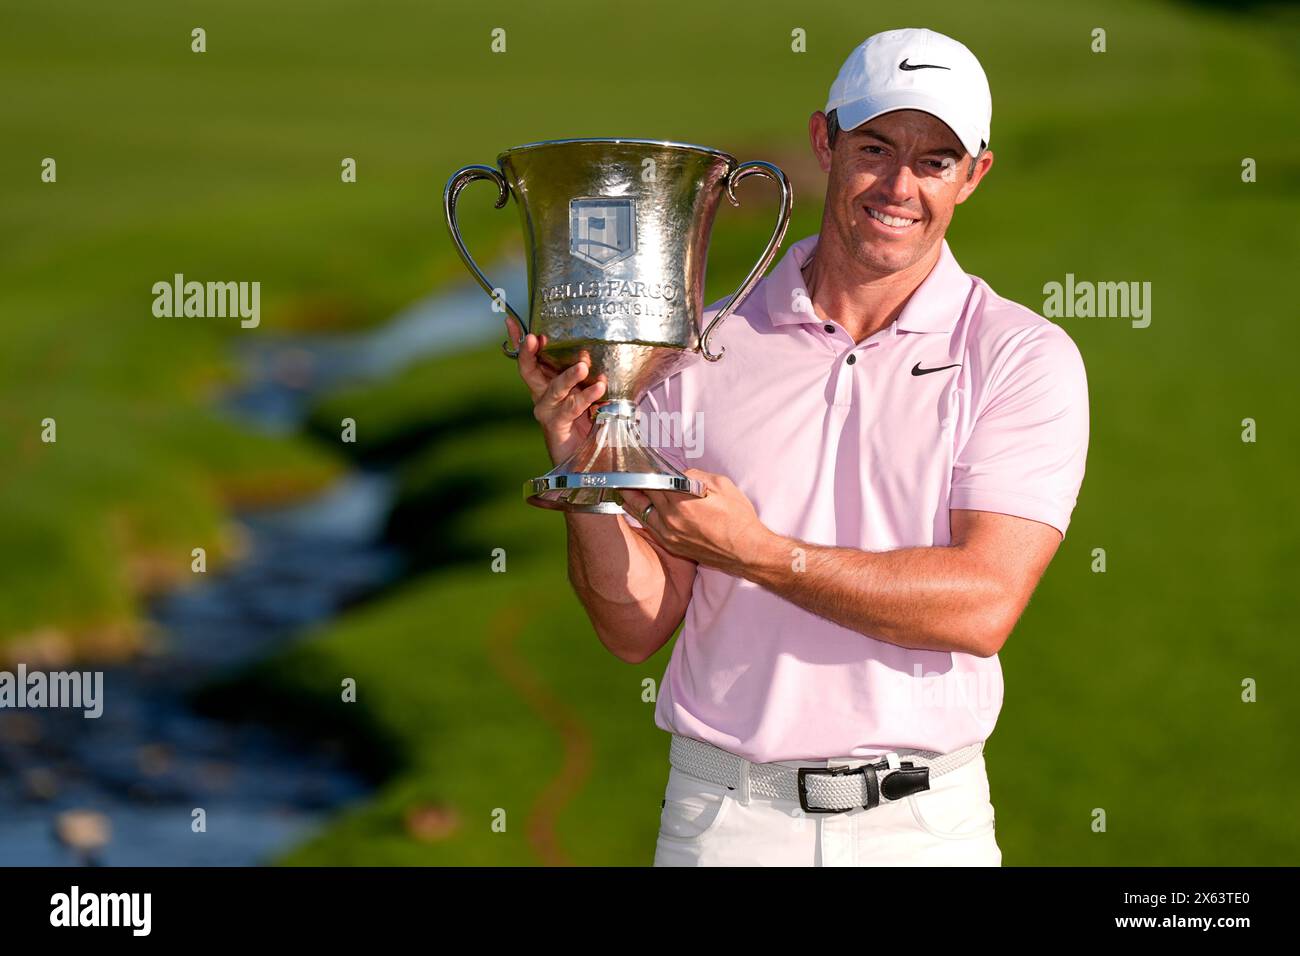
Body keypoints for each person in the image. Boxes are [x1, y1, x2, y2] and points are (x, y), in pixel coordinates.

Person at [506, 27, 1089, 866]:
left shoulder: (1021, 356)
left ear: (973, 176)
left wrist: (761, 554)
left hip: (925, 831)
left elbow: (982, 604)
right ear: (824, 141)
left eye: (934, 161)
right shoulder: (697, 349)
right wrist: (586, 469)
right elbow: (634, 628)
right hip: (724, 823)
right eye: (875, 148)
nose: (899, 186)